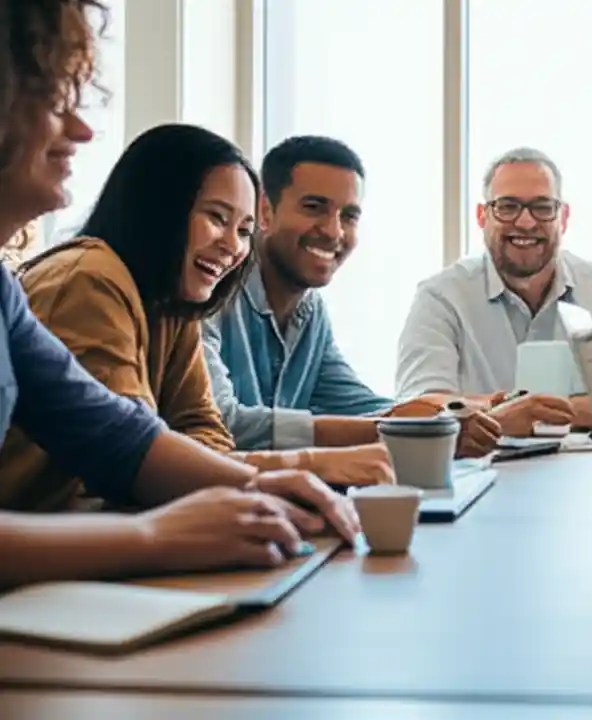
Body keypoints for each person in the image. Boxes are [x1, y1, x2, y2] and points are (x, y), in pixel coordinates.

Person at [0, 0, 356, 589]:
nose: (85, 130)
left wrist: (259, 487)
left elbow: (121, 438)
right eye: (54, 100)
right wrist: (157, 536)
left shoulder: (156, 304)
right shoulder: (88, 274)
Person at [0, 124, 400, 513]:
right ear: (161, 208)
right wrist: (305, 466)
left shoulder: (174, 304)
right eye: (216, 218)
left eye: (244, 230)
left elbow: (205, 436)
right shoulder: (89, 277)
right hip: (51, 545)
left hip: (91, 535)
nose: (232, 246)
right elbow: (129, 456)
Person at [203, 136, 500, 458]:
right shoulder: (210, 288)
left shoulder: (310, 311)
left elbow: (360, 406)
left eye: (349, 216)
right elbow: (221, 423)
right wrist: (421, 430)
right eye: (314, 207)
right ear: (264, 210)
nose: (333, 231)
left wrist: (474, 409)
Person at [395, 147, 592, 436]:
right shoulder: (440, 296)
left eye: (542, 207)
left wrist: (505, 411)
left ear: (563, 217)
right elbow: (420, 407)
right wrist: (517, 410)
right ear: (482, 217)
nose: (526, 222)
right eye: (507, 206)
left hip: (581, 467)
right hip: (477, 470)